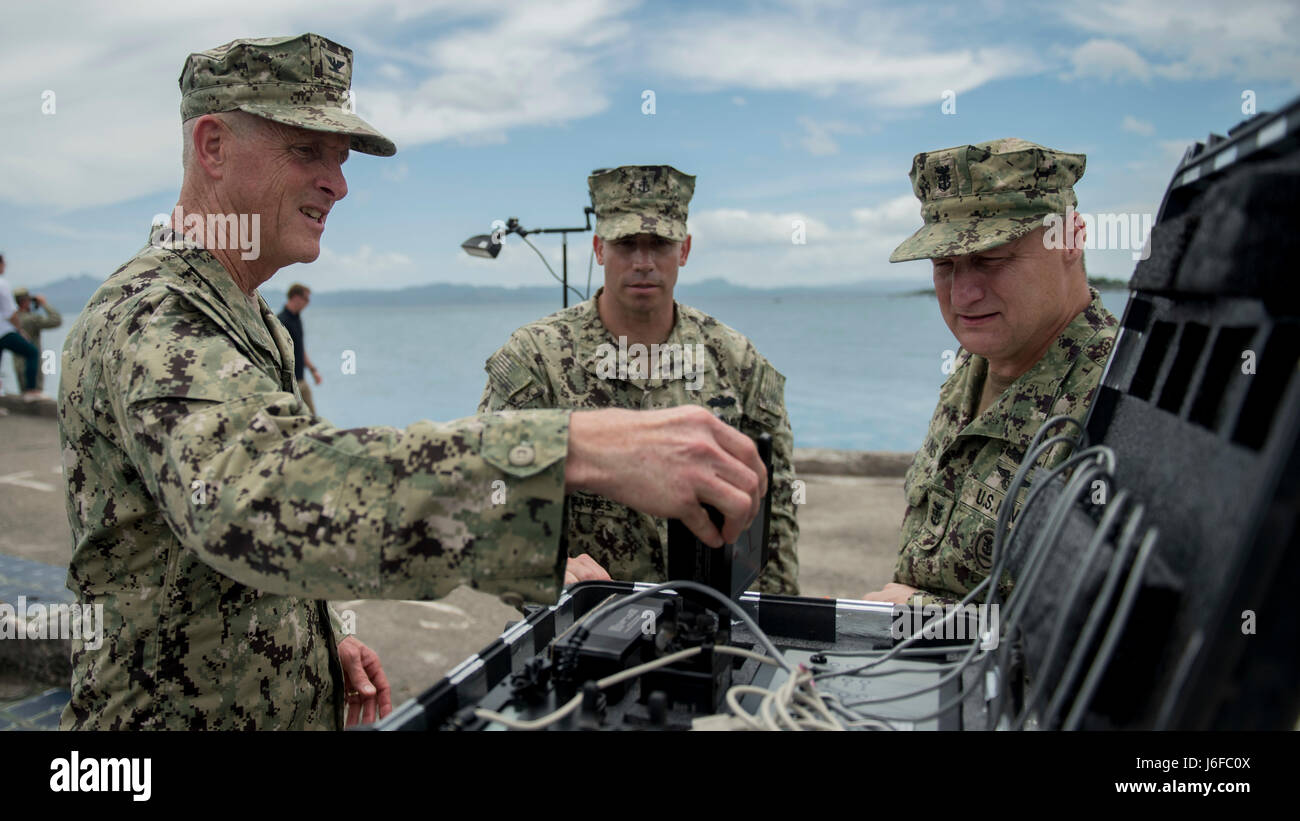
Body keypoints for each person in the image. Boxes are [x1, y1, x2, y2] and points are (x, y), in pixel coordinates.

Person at [58, 34, 766, 731]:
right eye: (306, 150)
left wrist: (311, 636)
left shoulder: (250, 319)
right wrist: (572, 449)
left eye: (339, 159)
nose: (338, 182)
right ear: (212, 146)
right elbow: (253, 494)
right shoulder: (153, 316)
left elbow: (232, 529)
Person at [479, 165, 800, 595]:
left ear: (684, 250)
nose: (643, 262)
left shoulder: (735, 360)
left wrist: (773, 620)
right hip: (581, 627)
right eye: (626, 243)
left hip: (713, 625)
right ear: (598, 249)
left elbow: (774, 508)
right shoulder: (536, 358)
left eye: (660, 244)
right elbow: (486, 487)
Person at [863, 138, 1118, 606]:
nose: (963, 298)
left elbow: (1104, 637)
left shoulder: (1118, 401)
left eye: (991, 260)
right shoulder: (977, 360)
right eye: (944, 265)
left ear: (1070, 238)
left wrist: (916, 614)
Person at [0, 255, 44, 399]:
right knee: (31, 352)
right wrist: (20, 331)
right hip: (4, 332)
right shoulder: (2, 284)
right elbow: (10, 313)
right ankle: (31, 391)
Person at [276, 282, 320, 414]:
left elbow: (300, 348)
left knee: (313, 419)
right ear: (296, 297)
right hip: (289, 384)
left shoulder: (297, 318)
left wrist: (313, 370)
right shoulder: (281, 321)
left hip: (301, 379)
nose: (308, 303)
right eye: (306, 299)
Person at [12, 287, 63, 393]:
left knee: (24, 395)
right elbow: (56, 320)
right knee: (35, 394)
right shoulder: (31, 319)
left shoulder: (14, 319)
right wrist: (44, 304)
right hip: (32, 366)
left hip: (18, 364)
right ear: (25, 301)